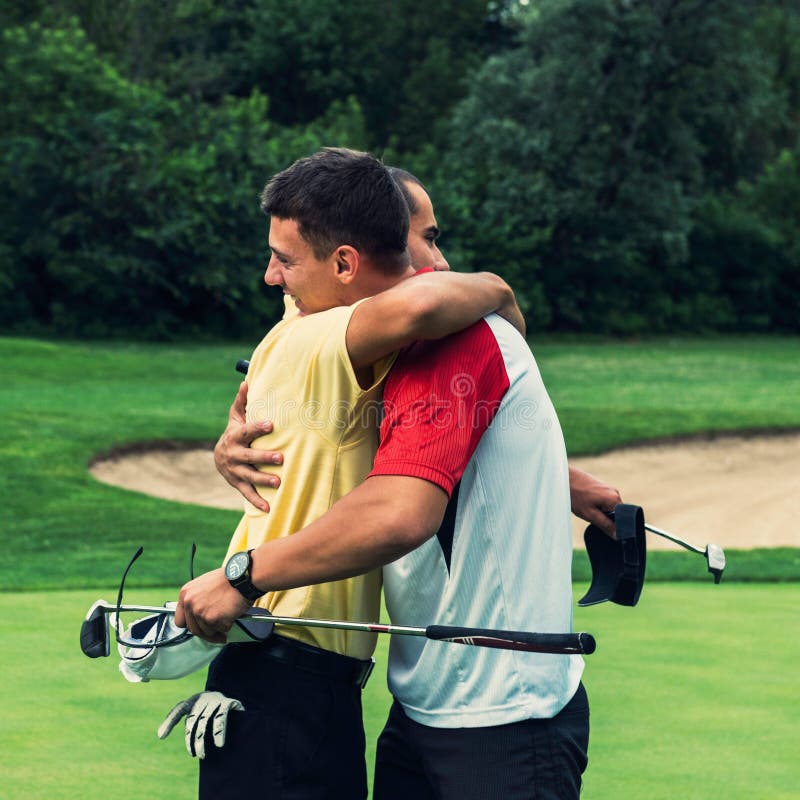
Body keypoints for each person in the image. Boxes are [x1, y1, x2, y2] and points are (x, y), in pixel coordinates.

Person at [177, 159, 621, 799]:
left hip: (499, 714)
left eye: (430, 238)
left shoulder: (448, 339)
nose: (436, 262)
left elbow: (402, 507)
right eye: (427, 237)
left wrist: (241, 574)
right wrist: (499, 287)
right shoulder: (349, 333)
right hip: (418, 709)